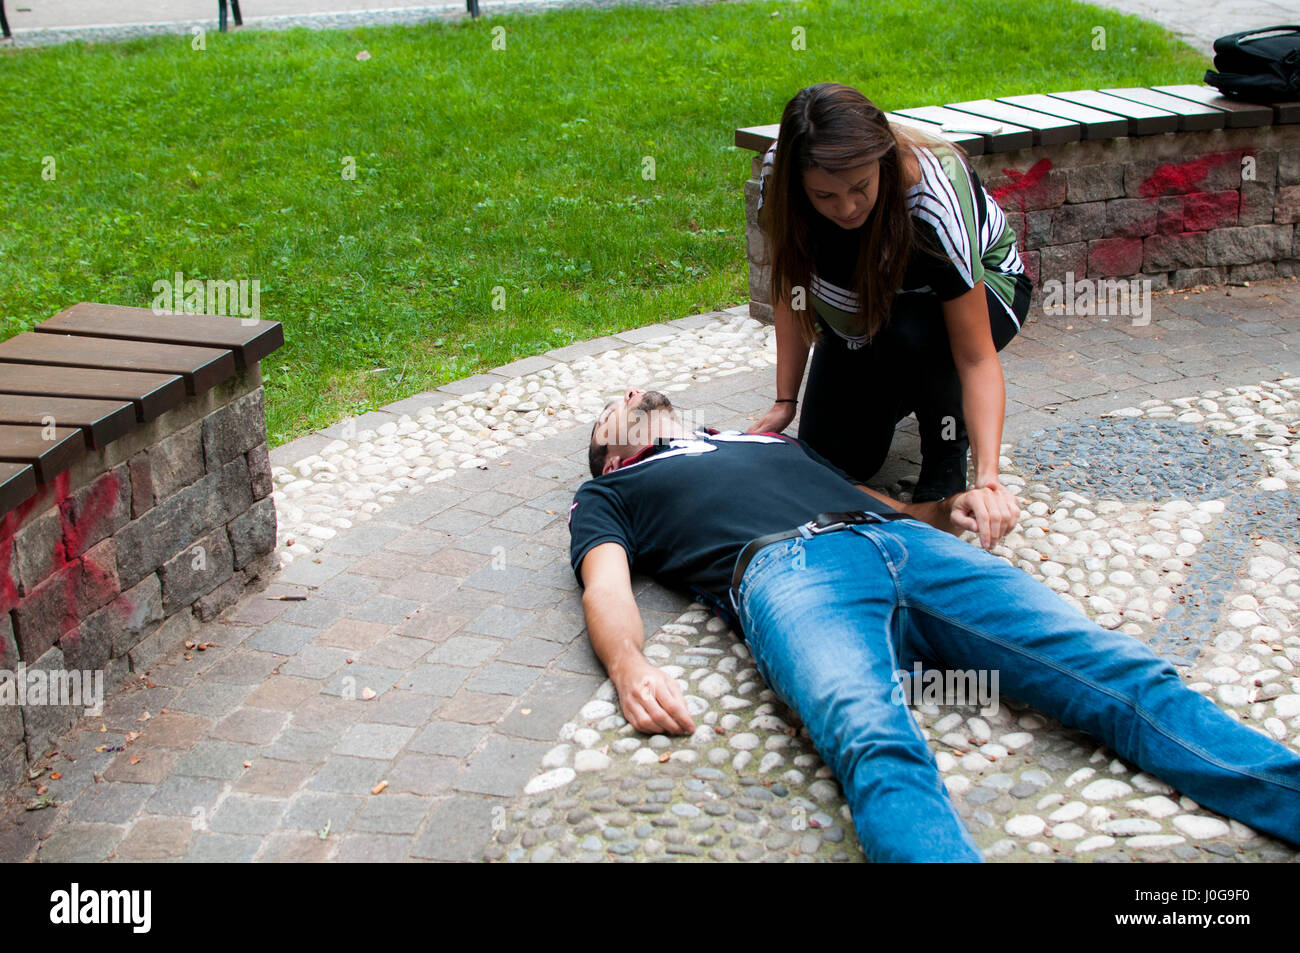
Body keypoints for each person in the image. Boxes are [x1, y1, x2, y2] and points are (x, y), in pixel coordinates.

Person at [571, 388, 1300, 862]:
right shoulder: (611, 490)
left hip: (915, 549)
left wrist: (943, 511)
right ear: (611, 447)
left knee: (1115, 668)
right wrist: (631, 666)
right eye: (618, 404)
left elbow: (864, 495)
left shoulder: (763, 442)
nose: (634, 393)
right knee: (872, 735)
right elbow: (604, 584)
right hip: (790, 574)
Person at [749, 82, 1032, 506]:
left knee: (913, 332)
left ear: (882, 162)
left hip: (984, 293)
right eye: (825, 195)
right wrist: (785, 400)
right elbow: (793, 287)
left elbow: (974, 356)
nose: (846, 208)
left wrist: (988, 478)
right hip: (867, 315)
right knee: (832, 462)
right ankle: (902, 387)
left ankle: (946, 452)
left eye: (860, 186)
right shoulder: (780, 173)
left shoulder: (932, 202)